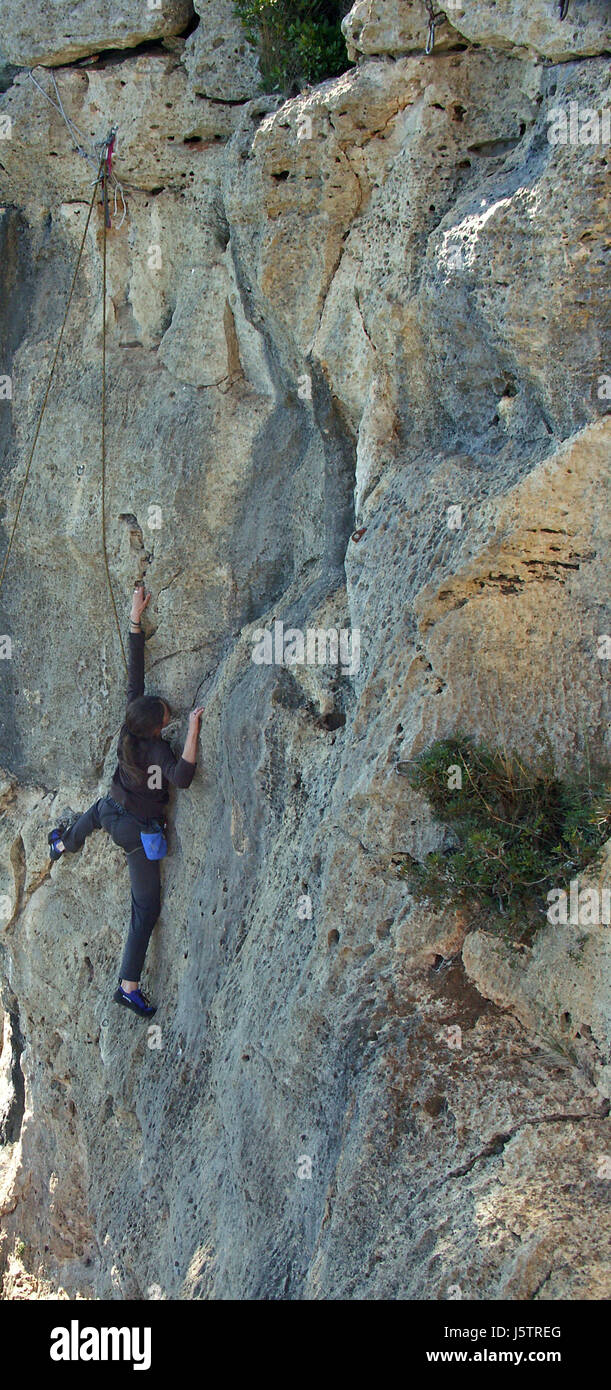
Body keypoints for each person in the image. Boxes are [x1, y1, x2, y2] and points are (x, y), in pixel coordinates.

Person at [47, 582, 204, 1018]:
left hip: (109, 810)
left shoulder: (130, 721)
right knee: (146, 909)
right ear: (157, 729)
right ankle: (127, 986)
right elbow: (183, 777)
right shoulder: (157, 750)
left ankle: (61, 844)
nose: (168, 715)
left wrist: (135, 616)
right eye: (166, 717)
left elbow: (135, 674)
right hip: (135, 834)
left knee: (93, 815)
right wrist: (192, 730)